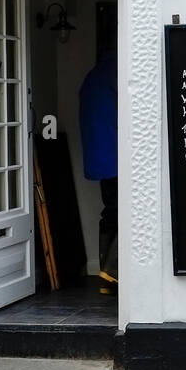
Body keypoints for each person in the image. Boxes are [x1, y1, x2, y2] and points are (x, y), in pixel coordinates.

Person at [79, 49, 119, 287]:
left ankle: (107, 274)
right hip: (117, 154)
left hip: (100, 157)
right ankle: (112, 271)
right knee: (129, 213)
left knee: (111, 212)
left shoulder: (93, 75)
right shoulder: (118, 71)